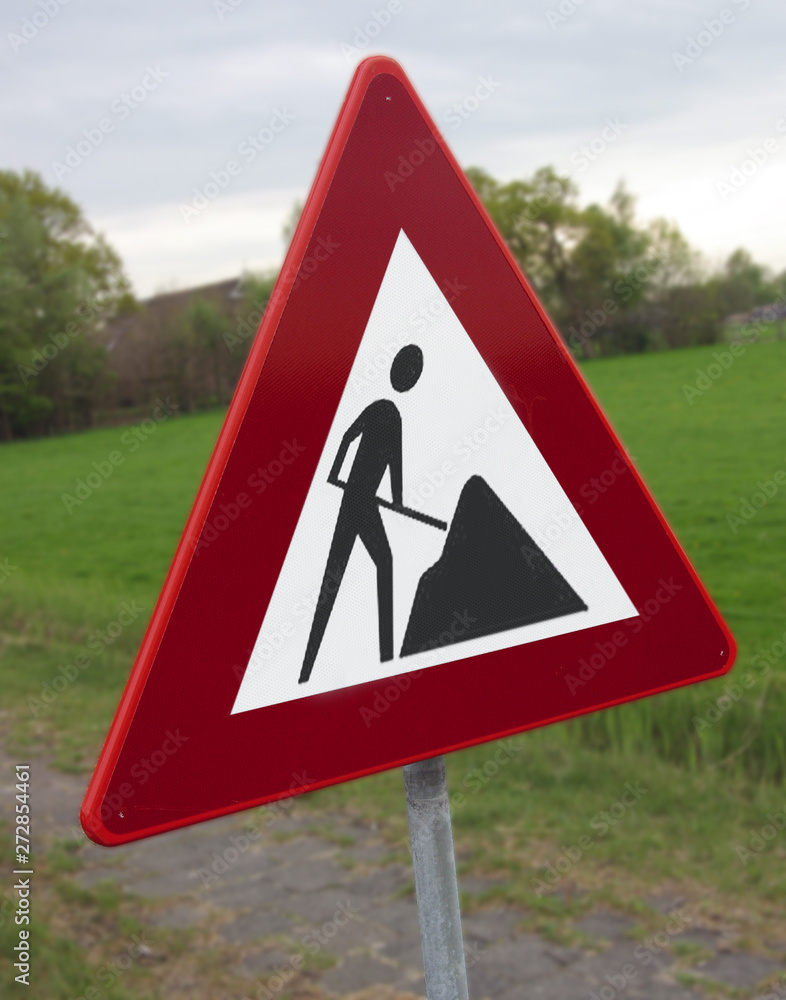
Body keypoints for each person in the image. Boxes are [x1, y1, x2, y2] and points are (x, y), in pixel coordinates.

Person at [299, 344, 424, 683]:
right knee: (338, 574)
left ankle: (383, 659)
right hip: (359, 501)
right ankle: (311, 668)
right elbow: (392, 462)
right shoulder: (390, 414)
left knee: (359, 568)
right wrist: (396, 499)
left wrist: (336, 472)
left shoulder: (381, 410)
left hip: (361, 501)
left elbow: (350, 440)